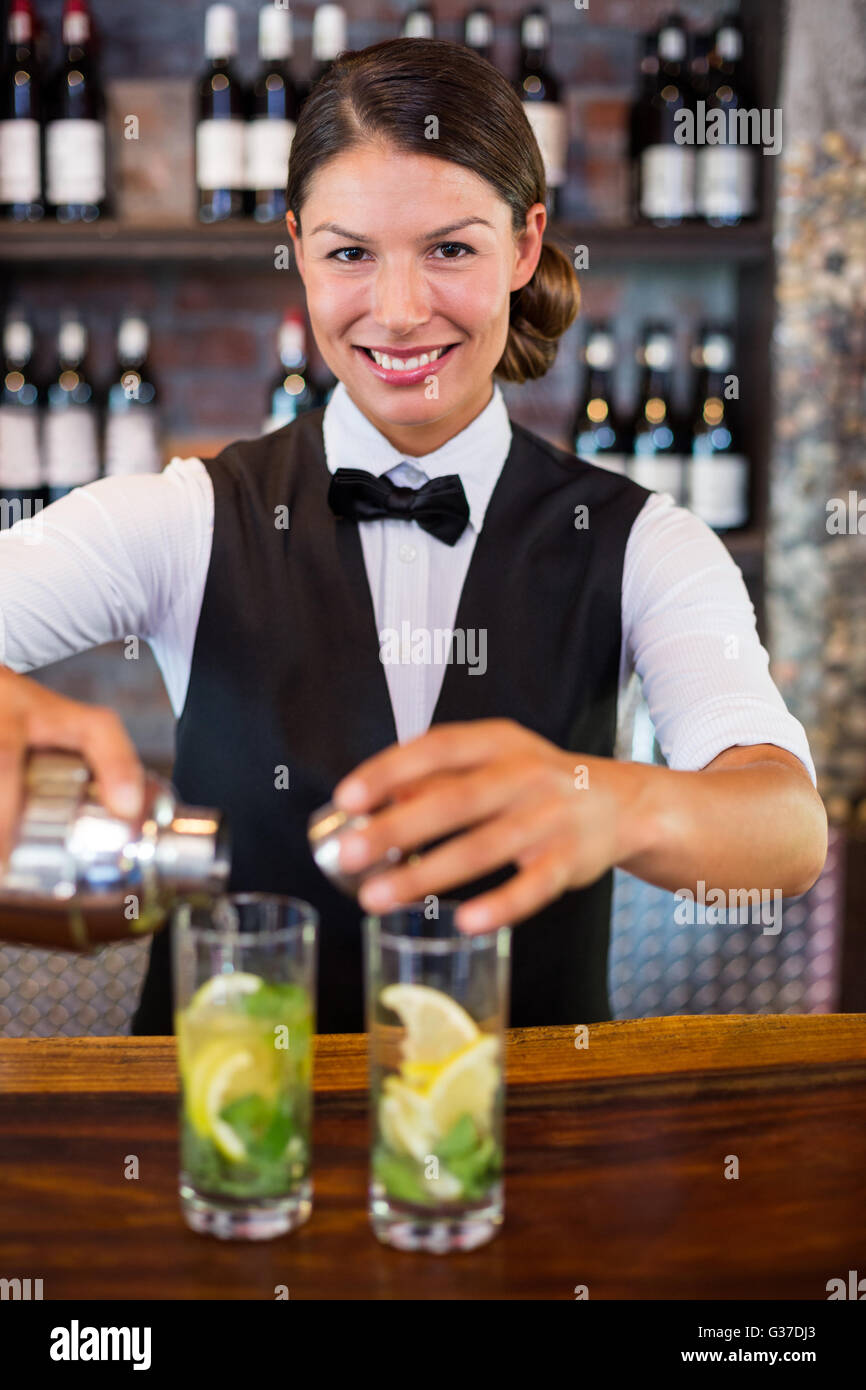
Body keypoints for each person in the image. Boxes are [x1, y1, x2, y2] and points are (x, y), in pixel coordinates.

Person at [0, 39, 827, 1034]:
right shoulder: (182, 519)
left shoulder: (644, 540)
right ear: (298, 249)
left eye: (449, 248)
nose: (398, 313)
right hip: (232, 1140)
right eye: (350, 253)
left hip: (524, 1143)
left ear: (522, 247)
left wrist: (615, 804)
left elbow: (785, 829)